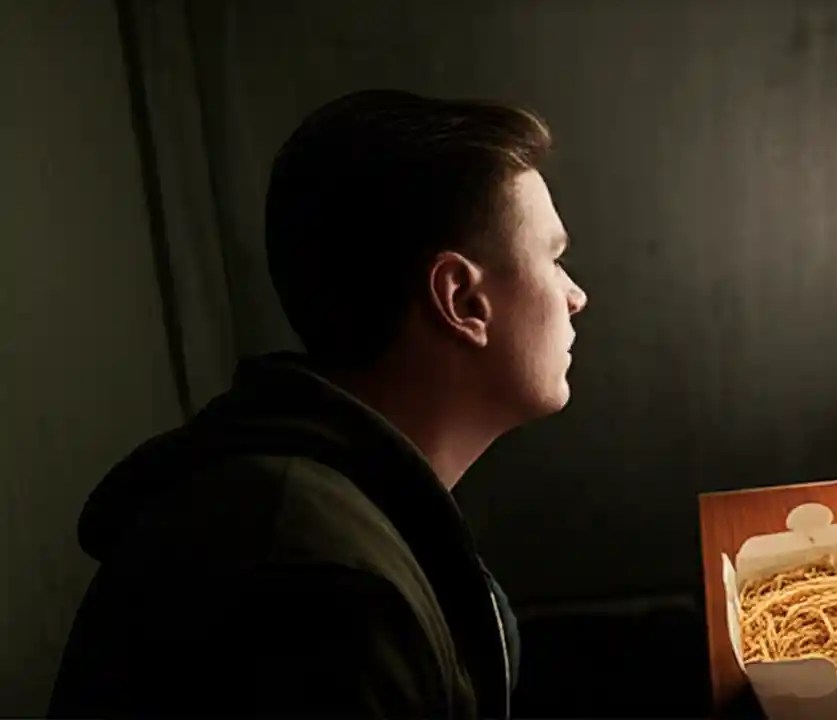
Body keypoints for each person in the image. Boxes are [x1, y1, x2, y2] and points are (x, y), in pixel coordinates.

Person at [47, 89, 587, 718]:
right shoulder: (320, 590)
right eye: (554, 258)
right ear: (463, 302)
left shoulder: (334, 512)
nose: (575, 295)